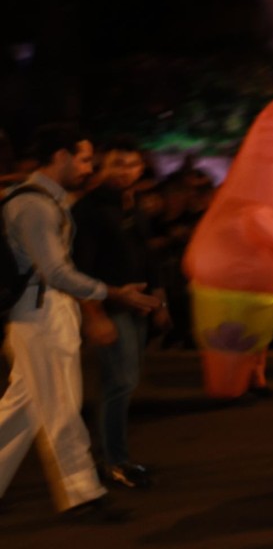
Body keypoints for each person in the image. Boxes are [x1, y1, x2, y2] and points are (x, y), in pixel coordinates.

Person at [0, 123, 160, 520]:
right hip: (40, 315)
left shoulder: (43, 199)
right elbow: (56, 271)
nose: (92, 167)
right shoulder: (34, 204)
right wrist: (112, 292)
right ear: (61, 156)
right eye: (86, 158)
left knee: (23, 408)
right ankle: (82, 495)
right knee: (62, 407)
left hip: (38, 313)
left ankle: (81, 493)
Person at [73, 136, 171, 488]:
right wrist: (94, 315)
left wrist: (160, 298)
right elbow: (80, 268)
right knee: (120, 383)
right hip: (111, 303)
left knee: (126, 382)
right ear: (102, 167)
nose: (125, 172)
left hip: (139, 304)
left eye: (131, 165)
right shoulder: (89, 209)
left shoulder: (133, 203)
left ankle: (118, 457)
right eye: (117, 165)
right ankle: (113, 461)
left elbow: (148, 254)